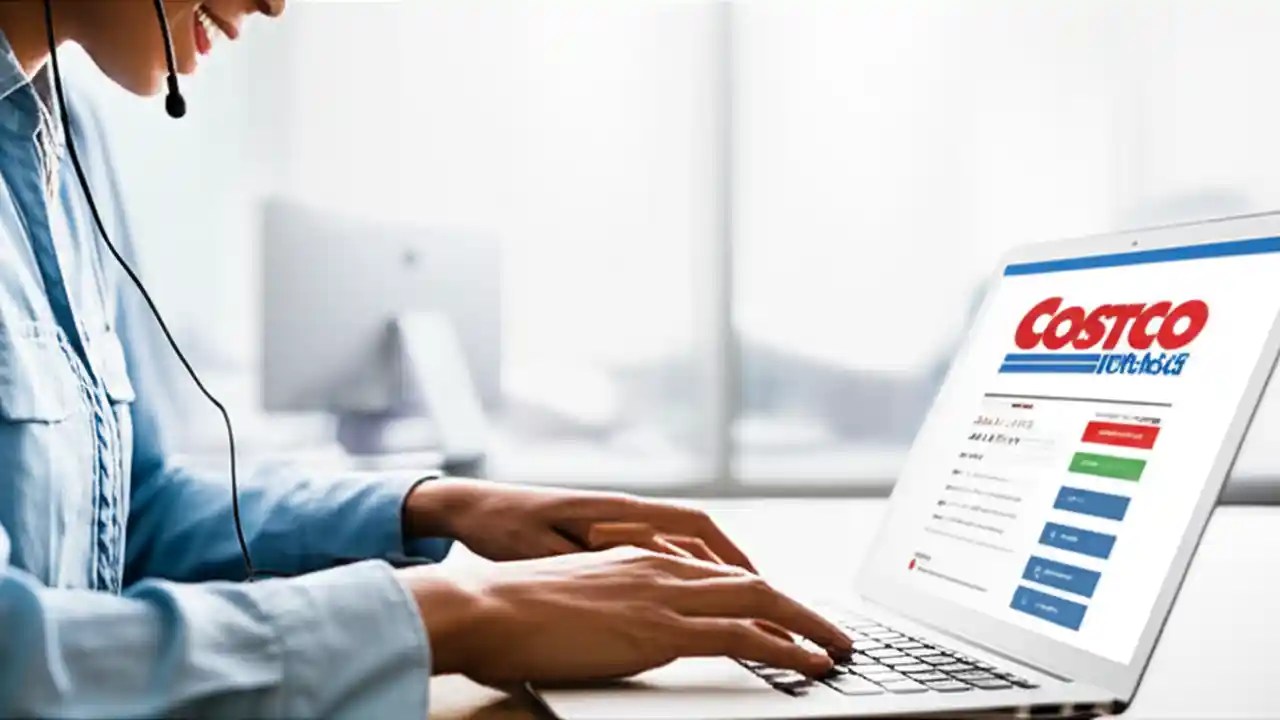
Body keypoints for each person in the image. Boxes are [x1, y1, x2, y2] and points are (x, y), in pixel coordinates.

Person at [0, 1, 852, 717]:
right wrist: (461, 613)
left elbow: (136, 517)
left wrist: (439, 509)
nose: (275, 3)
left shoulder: (63, 136)